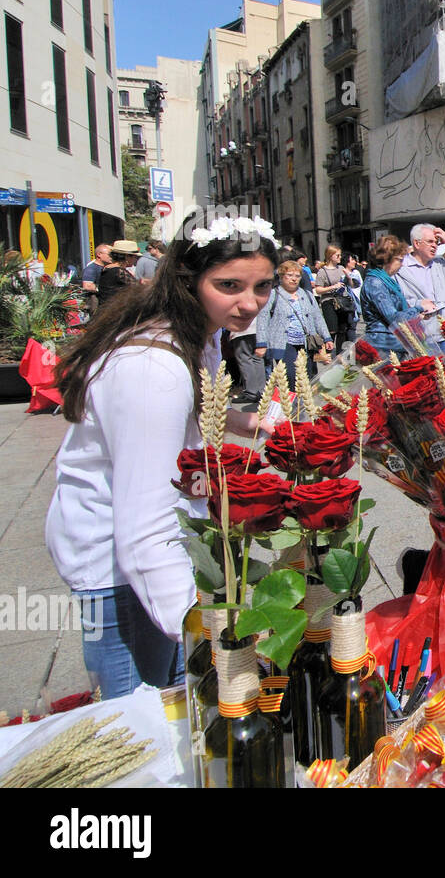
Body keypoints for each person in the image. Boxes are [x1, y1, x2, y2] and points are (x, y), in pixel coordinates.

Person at [47, 226, 280, 699]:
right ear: (187, 281)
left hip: (148, 555)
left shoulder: (194, 332)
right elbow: (144, 533)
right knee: (144, 720)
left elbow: (189, 407)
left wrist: (239, 421)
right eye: (229, 286)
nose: (251, 303)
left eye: (262, 286)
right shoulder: (152, 370)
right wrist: (216, 638)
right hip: (120, 574)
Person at [254, 260, 334, 389]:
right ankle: (291, 405)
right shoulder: (273, 294)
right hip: (284, 342)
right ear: (281, 276)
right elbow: (262, 319)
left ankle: (303, 406)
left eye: (297, 276)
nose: (294, 279)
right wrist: (261, 343)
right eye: (289, 275)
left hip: (306, 341)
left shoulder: (307, 294)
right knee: (290, 376)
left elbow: (317, 317)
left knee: (307, 376)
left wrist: (327, 337)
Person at [396, 224, 445, 352]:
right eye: (430, 242)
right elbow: (396, 301)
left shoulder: (440, 265)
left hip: (443, 336)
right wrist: (418, 305)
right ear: (416, 243)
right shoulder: (401, 268)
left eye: (437, 242)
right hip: (418, 337)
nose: (435, 246)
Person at [362, 235, 436, 360]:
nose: (402, 265)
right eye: (400, 260)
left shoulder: (385, 280)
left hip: (395, 345)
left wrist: (419, 313)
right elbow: (393, 317)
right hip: (385, 348)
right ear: (387, 259)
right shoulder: (376, 283)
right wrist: (418, 308)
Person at [314, 245, 353, 348]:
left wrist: (349, 278)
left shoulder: (341, 268)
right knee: (332, 329)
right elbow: (318, 290)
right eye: (337, 255)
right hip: (329, 302)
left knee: (342, 329)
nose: (340, 257)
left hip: (342, 301)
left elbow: (351, 285)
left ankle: (340, 355)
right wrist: (333, 287)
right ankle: (327, 351)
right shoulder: (323, 271)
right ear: (330, 256)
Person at [97, 241, 142, 307]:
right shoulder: (119, 272)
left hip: (104, 311)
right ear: (127, 257)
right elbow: (138, 289)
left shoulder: (108, 269)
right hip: (115, 312)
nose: (136, 259)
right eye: (135, 257)